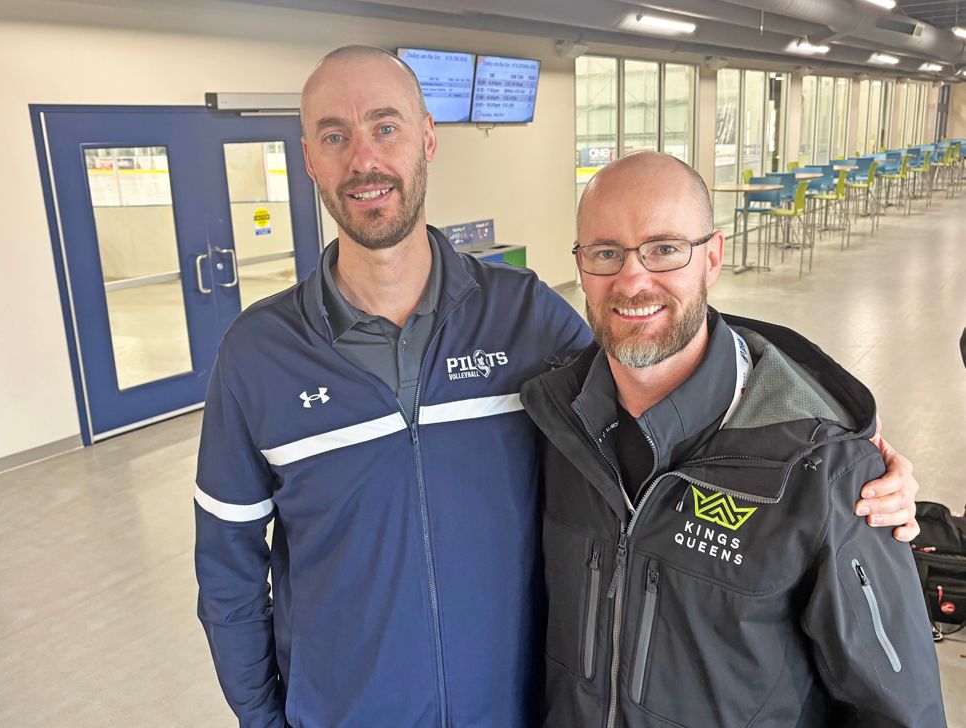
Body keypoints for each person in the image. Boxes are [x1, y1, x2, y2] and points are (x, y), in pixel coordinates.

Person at [194, 46, 922, 727]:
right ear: (309, 160)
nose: (365, 158)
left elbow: (658, 358)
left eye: (385, 127)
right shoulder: (257, 357)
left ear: (427, 138)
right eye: (334, 136)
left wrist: (847, 466)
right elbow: (227, 574)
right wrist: (264, 718)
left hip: (514, 710)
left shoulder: (524, 317)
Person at [520, 151, 945, 727]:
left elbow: (897, 709)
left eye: (665, 248)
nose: (632, 279)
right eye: (605, 253)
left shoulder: (823, 467)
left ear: (712, 257)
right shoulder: (553, 423)